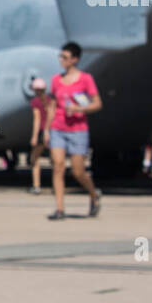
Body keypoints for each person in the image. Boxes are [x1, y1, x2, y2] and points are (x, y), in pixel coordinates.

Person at [47, 41, 102, 220]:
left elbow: (97, 103)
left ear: (75, 60)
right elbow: (52, 105)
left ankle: (93, 195)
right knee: (58, 166)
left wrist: (80, 109)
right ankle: (60, 209)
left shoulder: (85, 79)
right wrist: (47, 129)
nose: (61, 60)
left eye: (65, 57)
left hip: (78, 129)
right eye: (61, 56)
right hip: (58, 128)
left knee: (78, 171)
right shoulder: (56, 80)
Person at [28, 77, 52, 193]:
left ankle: (36, 186)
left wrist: (34, 136)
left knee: (34, 159)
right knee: (55, 161)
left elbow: (37, 120)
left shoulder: (35, 102)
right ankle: (56, 186)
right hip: (54, 132)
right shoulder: (50, 100)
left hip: (42, 133)